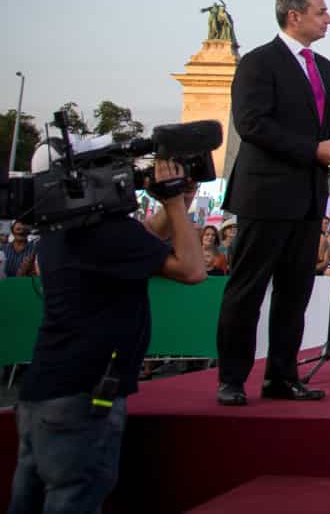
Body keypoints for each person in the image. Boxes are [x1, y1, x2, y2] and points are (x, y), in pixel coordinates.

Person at [9, 159, 207, 511]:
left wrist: (177, 203)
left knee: (30, 499)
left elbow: (146, 237)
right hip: (85, 396)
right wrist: (174, 203)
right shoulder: (109, 233)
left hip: (44, 390)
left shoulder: (61, 230)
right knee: (74, 498)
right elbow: (192, 269)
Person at [215, 0, 330, 408]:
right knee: (247, 291)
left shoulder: (325, 69)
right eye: (320, 11)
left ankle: (281, 376)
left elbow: (329, 129)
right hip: (265, 196)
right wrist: (314, 149)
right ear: (294, 15)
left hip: (309, 196)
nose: (328, 19)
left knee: (295, 293)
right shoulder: (257, 63)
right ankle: (232, 378)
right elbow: (252, 125)